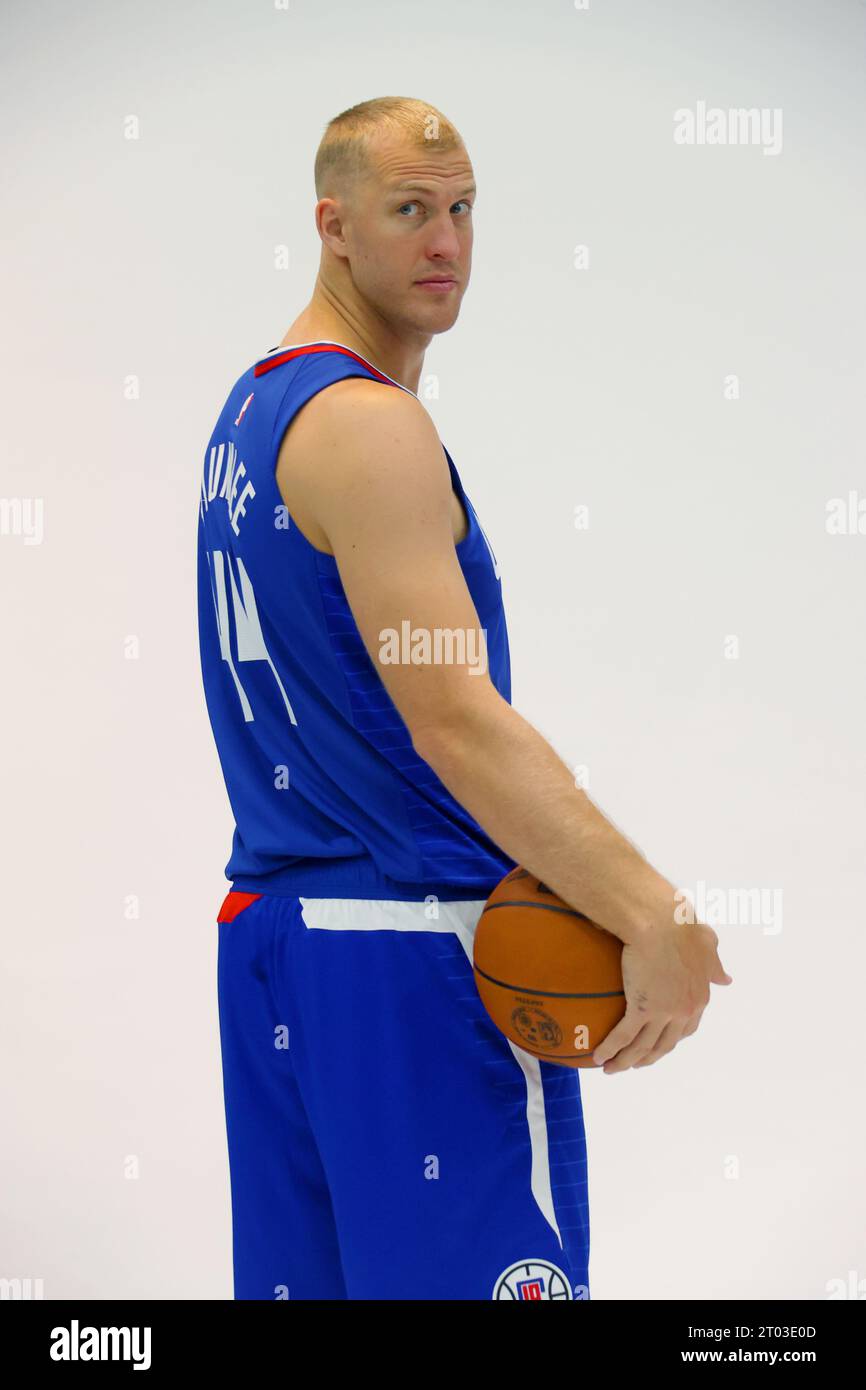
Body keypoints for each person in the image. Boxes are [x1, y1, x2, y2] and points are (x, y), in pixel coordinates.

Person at [197, 95, 732, 1301]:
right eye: (407, 212)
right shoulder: (372, 429)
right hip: (409, 955)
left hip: (278, 948)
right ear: (332, 226)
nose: (445, 242)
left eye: (461, 210)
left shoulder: (249, 413)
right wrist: (647, 909)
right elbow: (452, 716)